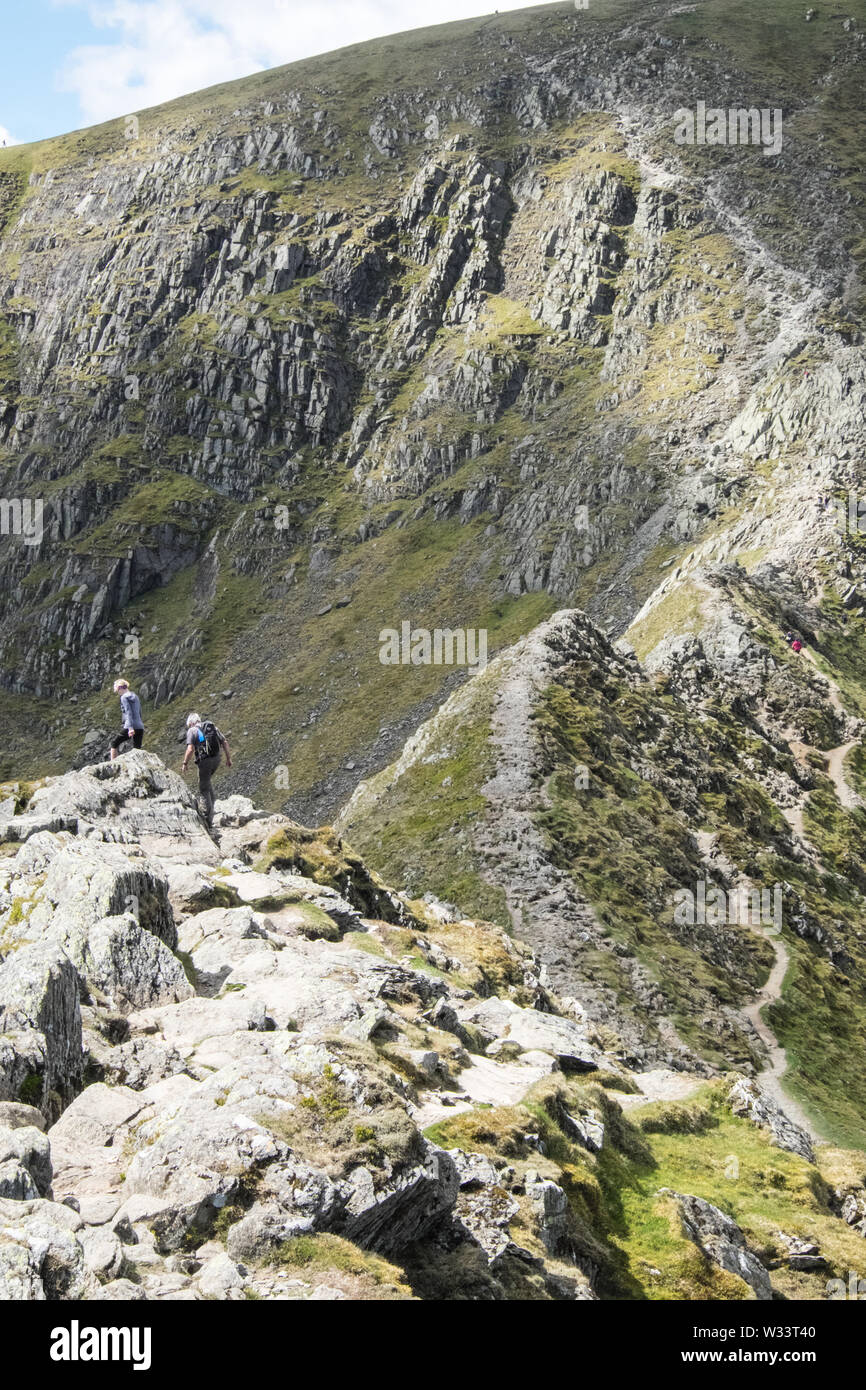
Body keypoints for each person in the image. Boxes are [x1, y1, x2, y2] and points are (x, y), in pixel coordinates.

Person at [181, 712, 232, 829]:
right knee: (207, 782)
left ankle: (207, 820)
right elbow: (224, 741)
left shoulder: (192, 730)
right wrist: (228, 758)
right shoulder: (211, 726)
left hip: (205, 761)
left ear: (191, 723)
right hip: (217, 758)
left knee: (203, 788)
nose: (189, 727)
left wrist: (185, 763)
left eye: (189, 725)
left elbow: (190, 748)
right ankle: (211, 809)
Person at [109, 679, 144, 759]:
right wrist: (139, 724)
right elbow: (139, 712)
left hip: (130, 727)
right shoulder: (135, 696)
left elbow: (128, 712)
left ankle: (113, 765)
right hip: (140, 726)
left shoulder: (124, 697)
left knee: (114, 743)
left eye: (117, 690)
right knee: (137, 749)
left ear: (120, 688)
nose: (118, 693)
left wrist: (130, 728)